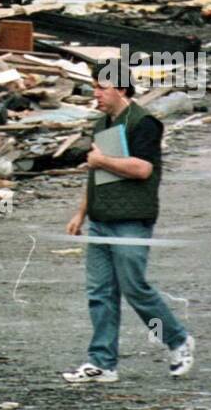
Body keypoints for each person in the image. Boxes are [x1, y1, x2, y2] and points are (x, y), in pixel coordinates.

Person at [62, 72, 194, 384]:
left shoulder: (143, 123)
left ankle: (176, 340)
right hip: (101, 219)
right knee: (100, 293)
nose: (96, 94)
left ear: (121, 88)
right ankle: (102, 362)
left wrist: (100, 160)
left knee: (135, 288)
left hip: (131, 220)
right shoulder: (104, 123)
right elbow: (101, 172)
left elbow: (142, 168)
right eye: (94, 87)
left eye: (101, 87)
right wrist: (80, 213)